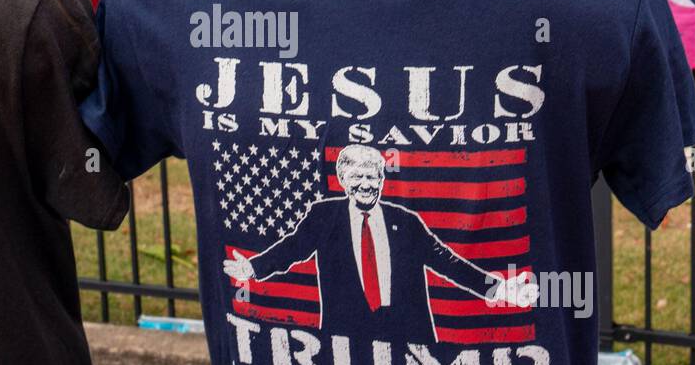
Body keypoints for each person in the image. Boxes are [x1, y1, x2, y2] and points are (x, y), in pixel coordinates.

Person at [222, 144, 537, 342]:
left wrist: (498, 289)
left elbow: (447, 262)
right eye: (357, 177)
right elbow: (293, 247)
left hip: (409, 334)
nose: (365, 185)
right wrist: (252, 267)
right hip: (346, 335)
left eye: (373, 177)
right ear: (343, 181)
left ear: (382, 181)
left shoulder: (407, 220)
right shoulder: (324, 215)